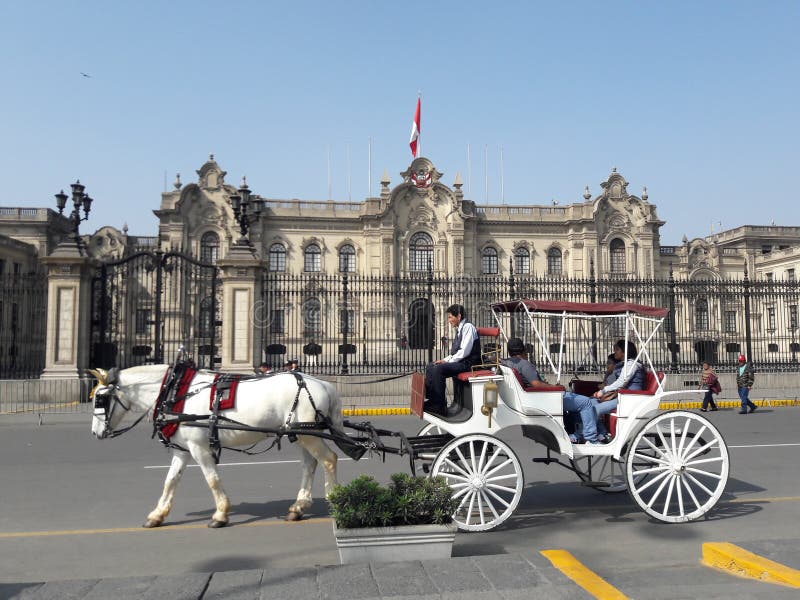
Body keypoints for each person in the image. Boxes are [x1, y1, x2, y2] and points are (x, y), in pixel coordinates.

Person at [424, 304, 481, 416]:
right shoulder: (460, 329)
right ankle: (433, 400)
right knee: (431, 366)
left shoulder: (468, 327)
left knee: (439, 369)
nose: (449, 320)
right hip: (461, 361)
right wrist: (444, 360)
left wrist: (447, 362)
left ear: (458, 316)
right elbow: (455, 353)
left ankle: (439, 405)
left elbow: (464, 352)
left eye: (450, 317)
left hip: (468, 363)